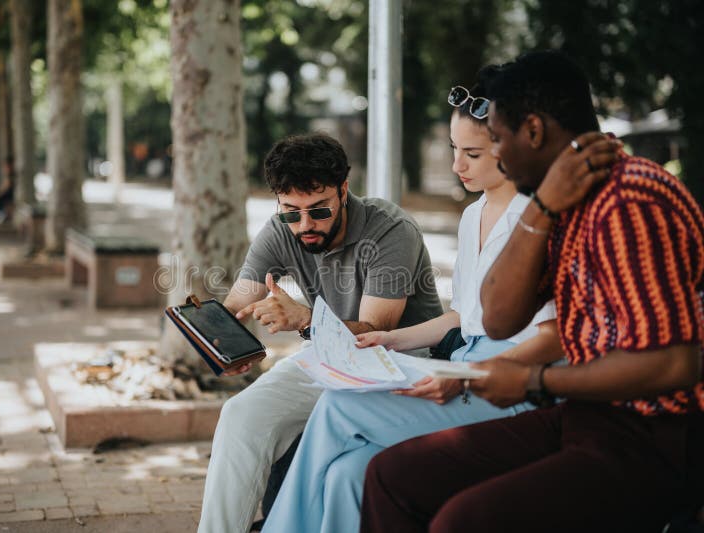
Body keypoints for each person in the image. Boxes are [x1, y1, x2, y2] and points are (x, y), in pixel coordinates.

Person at [360, 50, 703, 533]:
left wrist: (535, 381)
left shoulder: (630, 201)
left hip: (655, 438)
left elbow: (674, 364)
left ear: (535, 131)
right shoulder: (560, 200)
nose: (495, 155)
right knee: (393, 474)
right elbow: (499, 317)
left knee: (462, 521)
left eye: (497, 139)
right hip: (585, 417)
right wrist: (541, 208)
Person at [260, 83, 563, 533]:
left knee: (338, 408)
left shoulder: (540, 219)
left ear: (509, 145)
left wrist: (468, 376)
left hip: (510, 385)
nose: (456, 165)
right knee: (348, 473)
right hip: (460, 366)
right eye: (453, 148)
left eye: (473, 154)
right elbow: (463, 317)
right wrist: (388, 338)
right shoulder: (472, 216)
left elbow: (555, 336)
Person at [198, 132, 444, 533]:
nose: (305, 225)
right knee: (240, 414)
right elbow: (237, 305)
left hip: (401, 365)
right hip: (330, 360)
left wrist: (306, 319)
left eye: (319, 210)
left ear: (343, 190)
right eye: (291, 211)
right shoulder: (282, 229)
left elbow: (375, 331)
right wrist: (217, 340)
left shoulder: (390, 230)